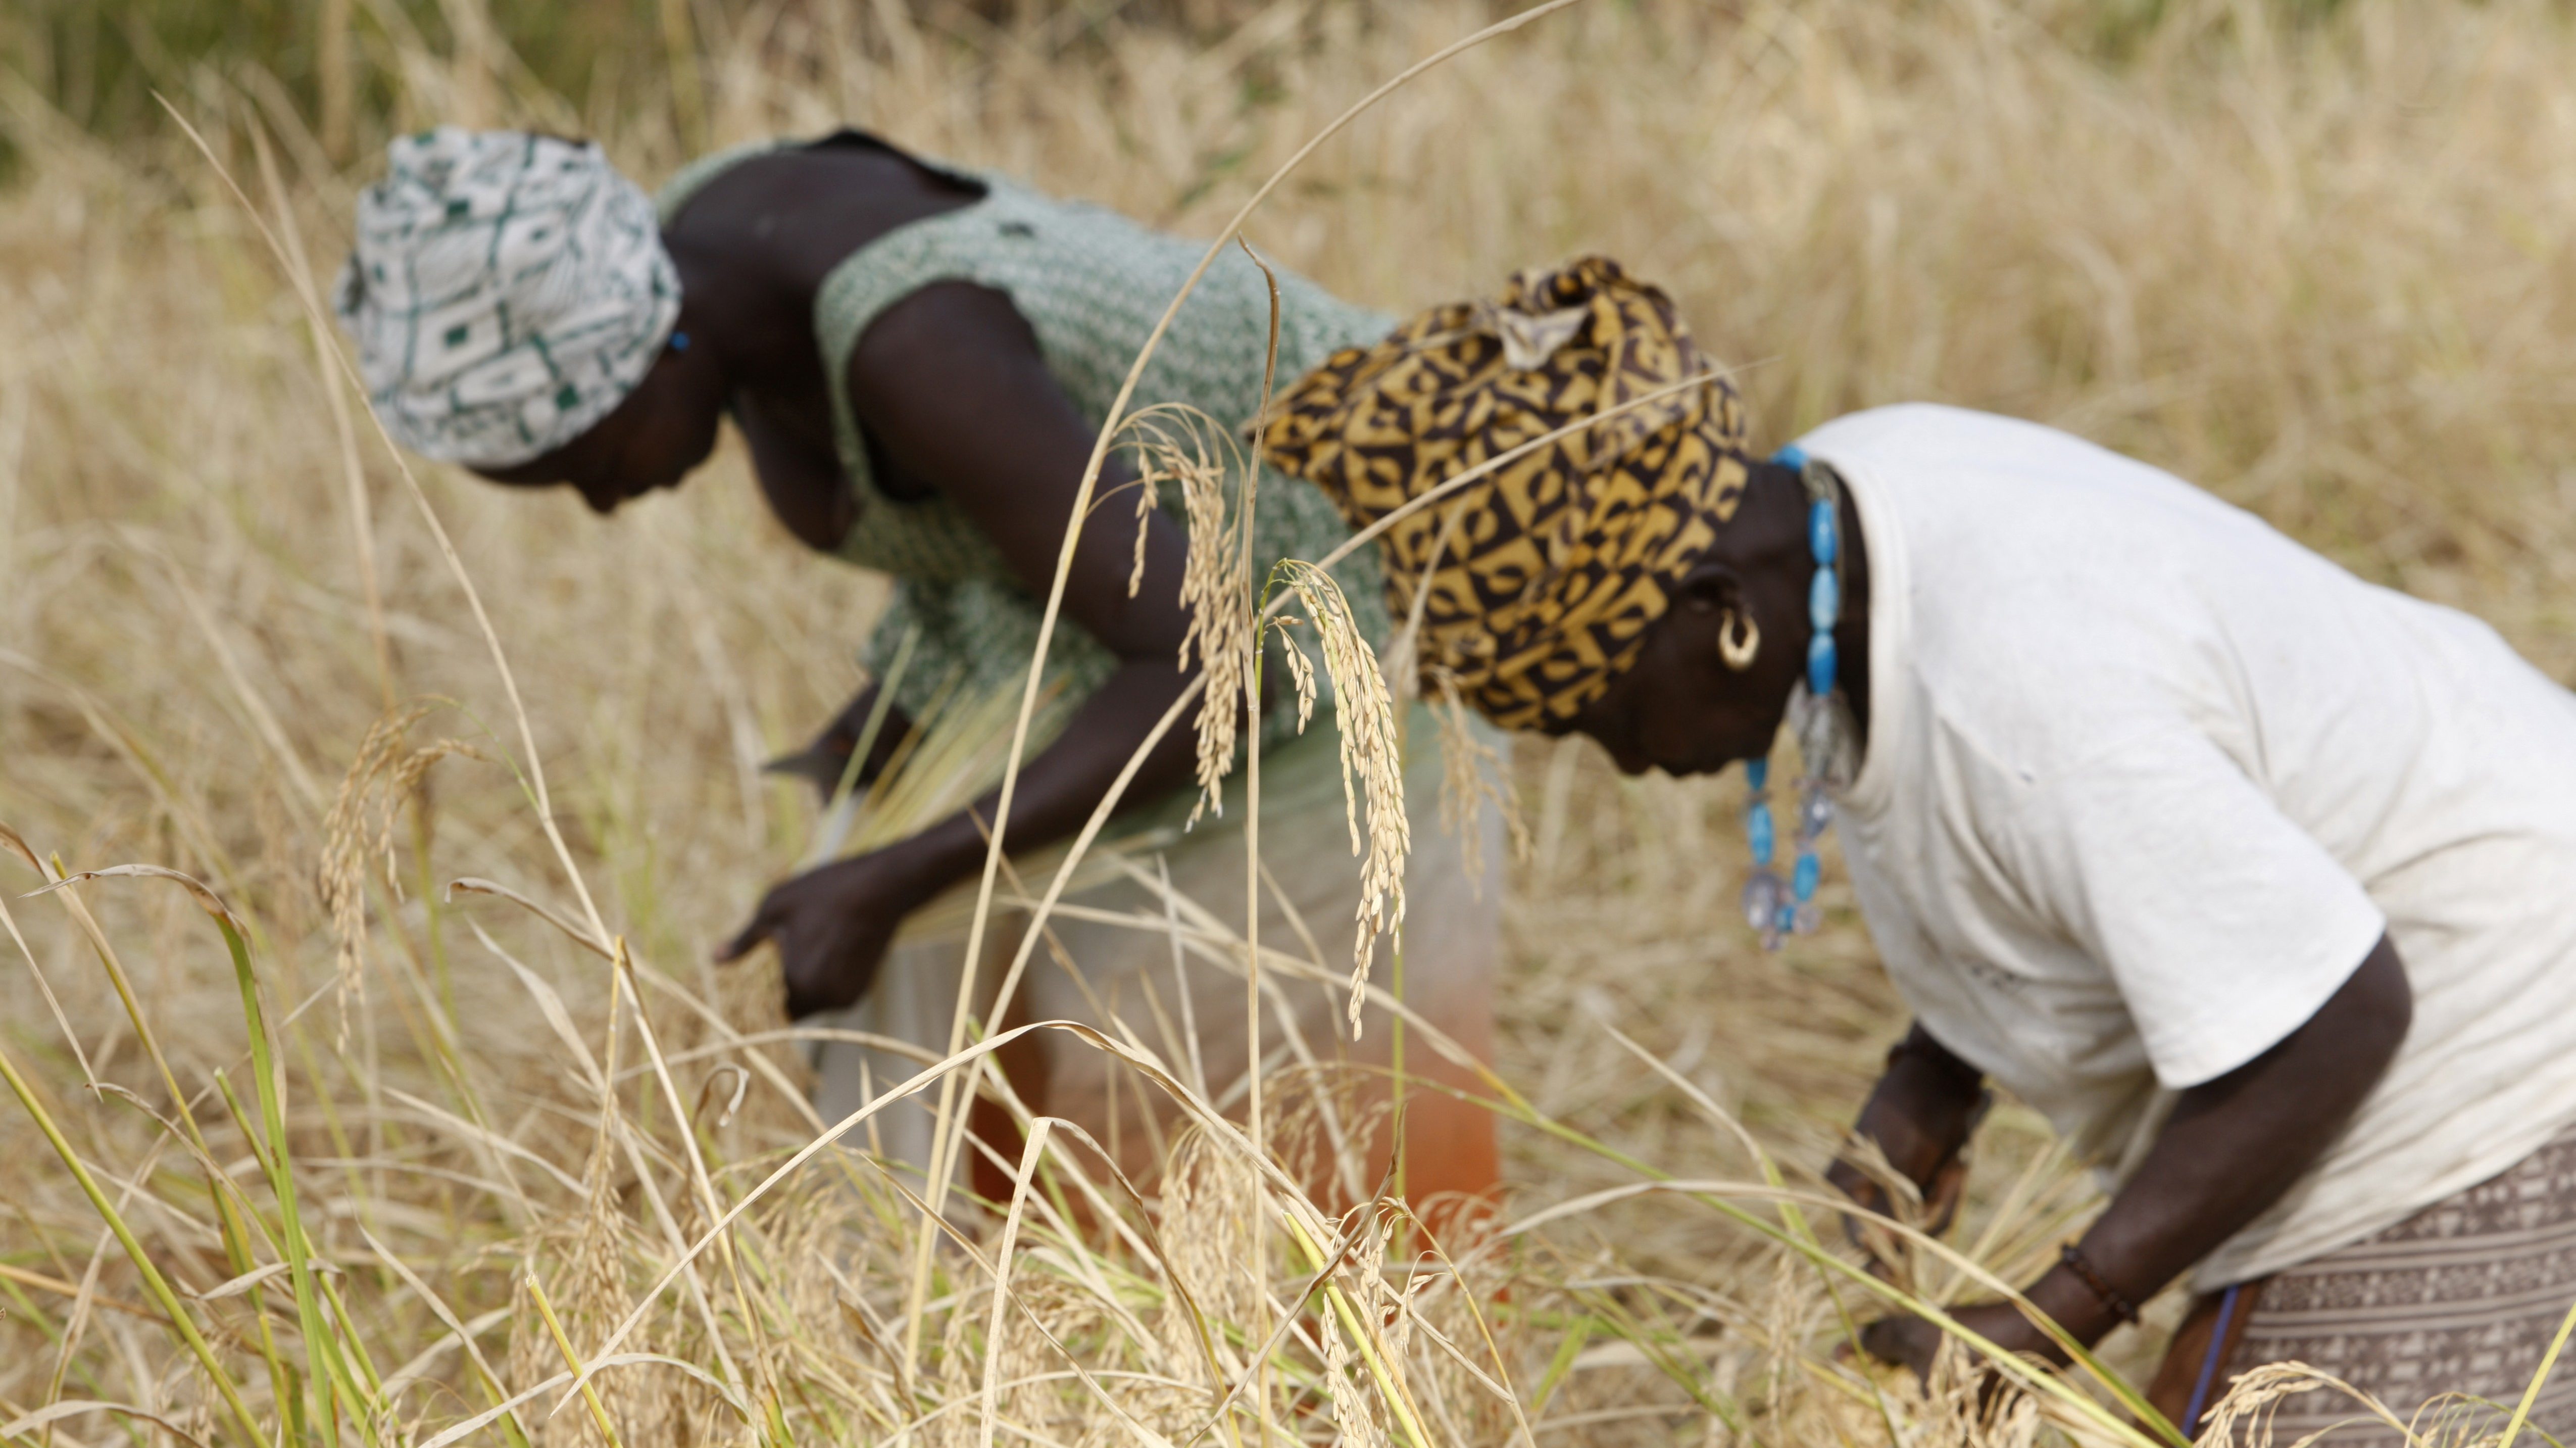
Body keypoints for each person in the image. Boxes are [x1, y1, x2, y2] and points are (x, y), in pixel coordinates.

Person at [1261, 254, 2576, 1441]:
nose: (1625, 761)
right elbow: (2056, 860)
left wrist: (2054, 1314)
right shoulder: (1842, 505)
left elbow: (2337, 1014)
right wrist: (1930, 1084)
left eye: (1596, 712)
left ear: (1715, 613)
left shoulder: (2020, 681)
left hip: (2503, 1015)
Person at [332, 126, 1505, 1221]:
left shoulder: (914, 341)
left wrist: (892, 878)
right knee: (1059, 1175)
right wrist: (896, 721)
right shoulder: (702, 248)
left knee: (1303, 1206)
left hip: (1335, 668)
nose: (598, 497)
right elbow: (1014, 524)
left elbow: (1203, 667)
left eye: (588, 453)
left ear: (647, 345)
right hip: (1154, 662)